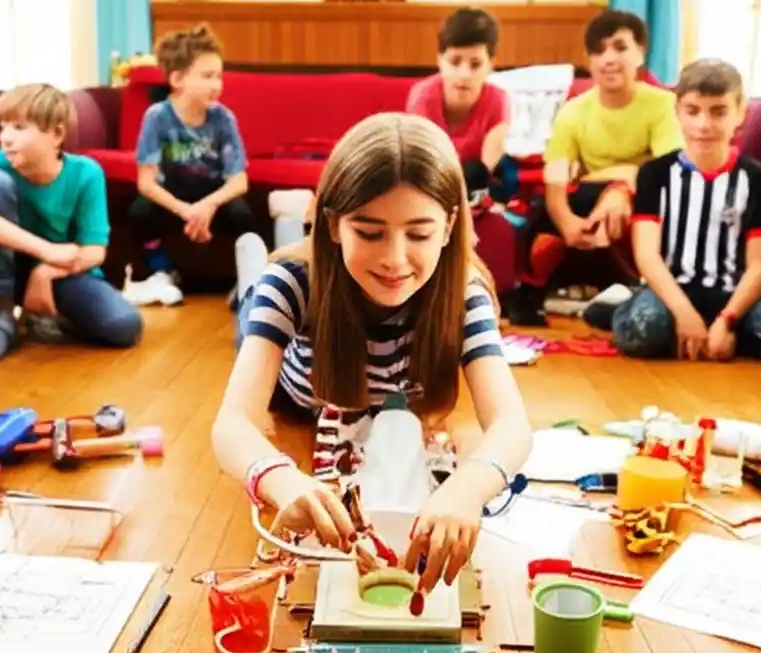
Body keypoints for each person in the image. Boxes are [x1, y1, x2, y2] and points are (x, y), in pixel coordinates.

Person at [212, 113, 532, 598]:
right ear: (335, 225)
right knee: (258, 306)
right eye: (370, 232)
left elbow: (511, 424)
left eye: (419, 235)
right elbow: (234, 421)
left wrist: (467, 488)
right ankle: (251, 274)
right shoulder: (292, 287)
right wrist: (281, 480)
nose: (395, 259)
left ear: (448, 227)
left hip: (389, 400)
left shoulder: (466, 292)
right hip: (303, 391)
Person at [584, 59, 761, 362]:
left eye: (718, 112)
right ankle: (628, 310)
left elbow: (759, 266)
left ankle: (715, 335)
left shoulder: (756, 179)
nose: (704, 125)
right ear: (678, 112)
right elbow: (647, 256)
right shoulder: (655, 174)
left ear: (740, 112)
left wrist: (727, 319)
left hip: (732, 299)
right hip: (667, 296)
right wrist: (684, 314)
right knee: (645, 331)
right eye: (693, 111)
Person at [510, 9, 684, 325]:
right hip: (592, 200)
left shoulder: (662, 104)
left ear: (640, 54)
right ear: (589, 60)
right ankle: (529, 297)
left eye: (620, 47)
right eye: (599, 51)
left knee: (645, 196)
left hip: (649, 197)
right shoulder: (573, 112)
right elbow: (556, 180)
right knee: (542, 214)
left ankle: (641, 293)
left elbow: (666, 172)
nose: (609, 59)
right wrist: (566, 224)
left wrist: (622, 189)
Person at [0, 83, 143, 364]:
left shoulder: (86, 173)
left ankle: (47, 319)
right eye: (2, 126)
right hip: (8, 269)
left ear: (56, 134)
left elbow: (94, 250)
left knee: (124, 326)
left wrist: (45, 272)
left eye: (19, 127)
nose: (5, 138)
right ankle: (1, 320)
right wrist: (44, 250)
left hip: (60, 271)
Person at [123, 23, 256, 307]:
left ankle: (246, 281)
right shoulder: (157, 117)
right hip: (174, 195)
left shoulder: (224, 118)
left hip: (213, 194)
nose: (216, 85)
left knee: (242, 214)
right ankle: (162, 271)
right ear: (177, 78)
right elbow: (146, 182)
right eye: (207, 76)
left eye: (219, 76)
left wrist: (207, 206)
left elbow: (239, 181)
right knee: (141, 211)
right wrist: (186, 211)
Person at [405, 7, 510, 198]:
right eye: (454, 62)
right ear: (440, 61)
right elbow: (419, 167)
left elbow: (488, 172)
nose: (464, 74)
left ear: (491, 65)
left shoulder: (499, 100)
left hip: (473, 194)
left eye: (475, 64)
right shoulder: (422, 97)